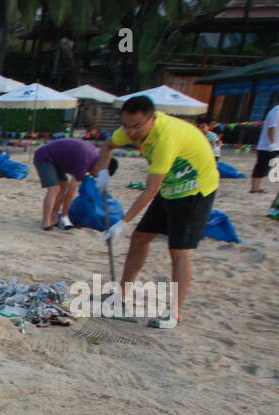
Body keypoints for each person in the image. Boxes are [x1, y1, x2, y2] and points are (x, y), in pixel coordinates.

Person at [93, 95, 219, 330]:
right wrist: (102, 172)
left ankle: (174, 313)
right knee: (140, 238)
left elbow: (150, 190)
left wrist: (122, 222)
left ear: (152, 118)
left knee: (179, 251)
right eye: (126, 126)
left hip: (195, 190)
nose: (131, 133)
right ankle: (120, 295)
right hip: (171, 187)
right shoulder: (130, 129)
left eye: (137, 127)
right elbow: (107, 146)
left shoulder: (166, 138)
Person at [33, 137, 115, 230]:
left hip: (56, 160)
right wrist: (65, 215)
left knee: (63, 186)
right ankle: (46, 222)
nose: (96, 177)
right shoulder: (86, 161)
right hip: (44, 157)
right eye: (99, 174)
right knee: (54, 189)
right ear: (100, 167)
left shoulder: (95, 158)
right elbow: (70, 193)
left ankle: (54, 216)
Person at [252, 90, 279, 194]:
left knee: (266, 166)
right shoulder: (276, 111)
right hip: (267, 145)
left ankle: (257, 187)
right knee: (261, 165)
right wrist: (272, 142)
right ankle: (254, 187)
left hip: (274, 145)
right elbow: (272, 127)